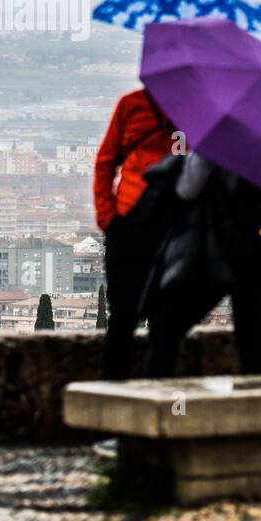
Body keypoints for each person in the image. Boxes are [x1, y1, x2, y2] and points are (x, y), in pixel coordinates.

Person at [141, 151, 261, 378]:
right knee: (167, 328)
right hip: (218, 255)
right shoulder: (256, 155)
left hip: (242, 258)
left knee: (249, 336)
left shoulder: (257, 160)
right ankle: (157, 399)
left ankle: (252, 401)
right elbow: (185, 192)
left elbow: (185, 193)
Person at [92, 87, 177, 380]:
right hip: (135, 226)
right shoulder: (132, 106)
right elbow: (106, 162)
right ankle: (128, 398)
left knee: (157, 320)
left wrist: (109, 218)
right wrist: (109, 220)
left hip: (161, 227)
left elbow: (105, 162)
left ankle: (141, 402)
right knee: (132, 318)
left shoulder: (133, 105)